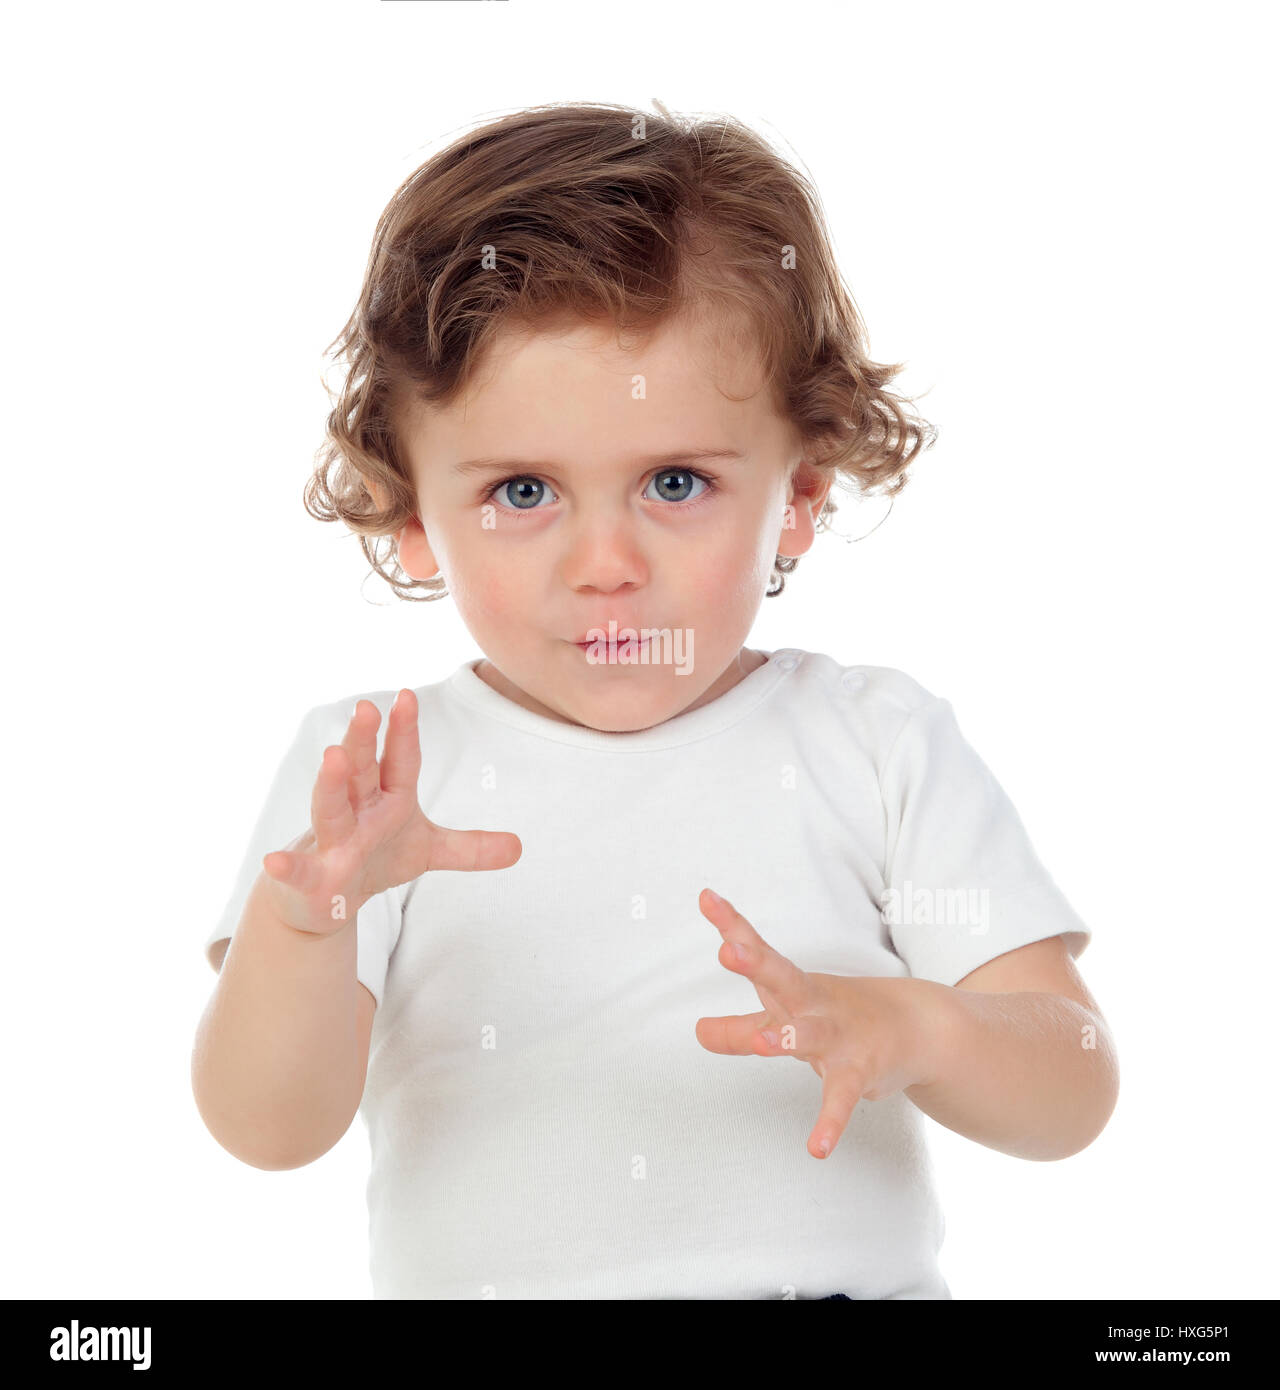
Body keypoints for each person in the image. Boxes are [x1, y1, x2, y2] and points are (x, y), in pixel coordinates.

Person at [191, 100, 1117, 1300]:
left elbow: (1075, 1080)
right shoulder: (378, 772)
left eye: (674, 480)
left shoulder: (874, 742)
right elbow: (267, 1129)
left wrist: (920, 1030)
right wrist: (305, 929)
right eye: (521, 490)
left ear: (797, 493)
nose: (604, 563)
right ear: (413, 517)